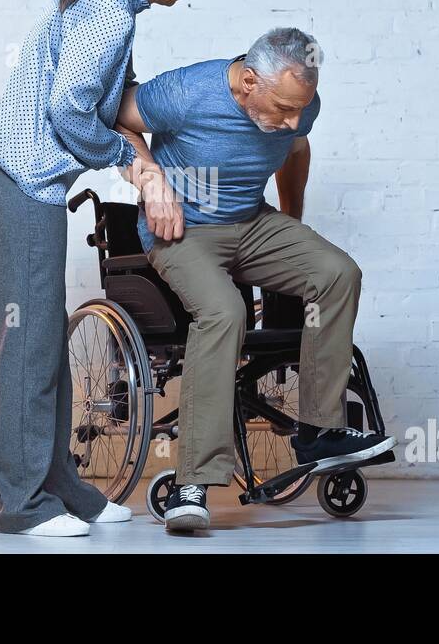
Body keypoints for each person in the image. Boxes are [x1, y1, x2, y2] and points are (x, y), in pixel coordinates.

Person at [0, 0, 220, 536]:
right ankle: (21, 505)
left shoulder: (116, 10)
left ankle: (62, 486)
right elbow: (69, 113)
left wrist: (148, 160)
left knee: (43, 337)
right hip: (16, 181)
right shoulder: (107, 15)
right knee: (27, 345)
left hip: (25, 182)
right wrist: (126, 162)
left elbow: (111, 105)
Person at [114, 27, 397, 532]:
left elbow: (297, 149)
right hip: (183, 228)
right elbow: (115, 117)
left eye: (300, 109)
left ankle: (318, 429)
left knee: (337, 273)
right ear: (248, 81)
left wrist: (293, 221)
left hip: (252, 222)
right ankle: (193, 480)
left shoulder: (300, 102)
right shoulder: (187, 92)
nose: (293, 119)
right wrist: (150, 181)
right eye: (283, 108)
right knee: (224, 311)